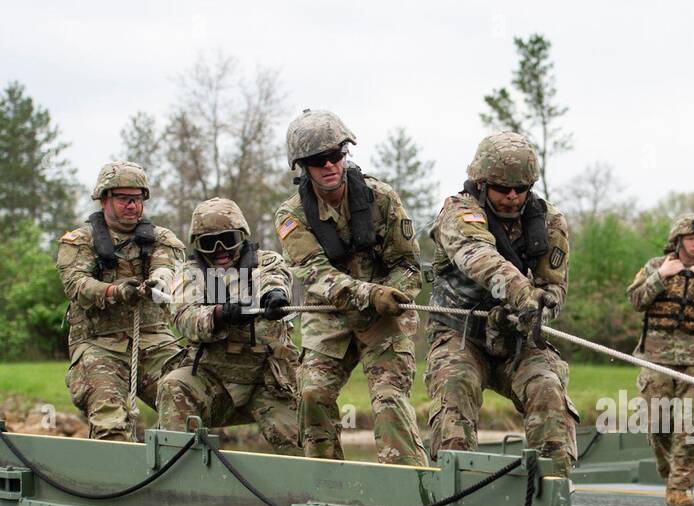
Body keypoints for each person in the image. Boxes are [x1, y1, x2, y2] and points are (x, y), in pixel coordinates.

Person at [274, 109, 426, 466]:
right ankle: (324, 486)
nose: (329, 165)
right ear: (302, 166)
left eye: (336, 155)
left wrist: (394, 294)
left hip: (383, 318)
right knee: (311, 396)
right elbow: (315, 273)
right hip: (329, 319)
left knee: (390, 403)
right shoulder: (291, 216)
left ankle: (411, 492)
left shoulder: (382, 199)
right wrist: (367, 294)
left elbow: (408, 266)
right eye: (317, 160)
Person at [423, 131, 578, 476]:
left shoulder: (550, 222)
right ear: (481, 183)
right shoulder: (459, 211)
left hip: (517, 340)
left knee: (548, 388)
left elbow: (553, 289)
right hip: (460, 335)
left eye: (520, 189)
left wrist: (537, 309)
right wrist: (521, 294)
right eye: (501, 188)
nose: (511, 197)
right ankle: (453, 493)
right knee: (454, 387)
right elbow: (478, 258)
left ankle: (553, 492)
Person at [156, 198, 299, 452]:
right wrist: (220, 315)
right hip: (214, 380)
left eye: (228, 240)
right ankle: (176, 474)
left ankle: (310, 491)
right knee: (173, 386)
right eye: (210, 244)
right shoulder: (190, 274)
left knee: (300, 446)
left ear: (242, 236)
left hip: (268, 381)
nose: (220, 250)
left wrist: (273, 296)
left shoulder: (266, 262)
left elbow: (275, 279)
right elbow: (183, 317)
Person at [55, 161, 185, 440]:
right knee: (109, 423)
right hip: (98, 345)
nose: (133, 206)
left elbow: (168, 267)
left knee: (187, 403)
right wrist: (115, 291)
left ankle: (176, 473)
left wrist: (159, 280)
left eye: (138, 199)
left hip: (154, 342)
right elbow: (76, 284)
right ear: (105, 200)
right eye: (125, 199)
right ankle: (113, 481)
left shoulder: (161, 238)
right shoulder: (78, 241)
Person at [626, 213, 694, 506]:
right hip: (656, 358)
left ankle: (680, 489)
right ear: (678, 241)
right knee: (658, 421)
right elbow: (636, 300)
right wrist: (661, 276)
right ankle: (672, 468)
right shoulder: (655, 266)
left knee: (689, 425)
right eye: (692, 238)